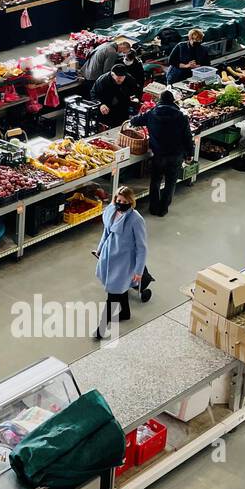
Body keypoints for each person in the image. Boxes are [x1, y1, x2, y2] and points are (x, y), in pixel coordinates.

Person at [93, 186, 149, 340]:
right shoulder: (111, 210)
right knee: (119, 288)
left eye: (124, 201)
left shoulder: (136, 220)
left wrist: (139, 271)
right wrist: (99, 249)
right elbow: (106, 232)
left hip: (124, 262)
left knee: (113, 293)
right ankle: (125, 313)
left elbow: (142, 247)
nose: (120, 203)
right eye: (118, 200)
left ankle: (101, 329)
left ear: (131, 202)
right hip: (109, 255)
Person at [129, 89, 195, 217]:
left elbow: (135, 121)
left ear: (160, 101)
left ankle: (153, 207)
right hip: (176, 155)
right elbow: (187, 137)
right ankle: (163, 208)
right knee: (170, 182)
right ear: (173, 101)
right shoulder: (181, 117)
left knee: (155, 181)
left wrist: (134, 120)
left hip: (159, 154)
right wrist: (189, 154)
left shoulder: (152, 113)